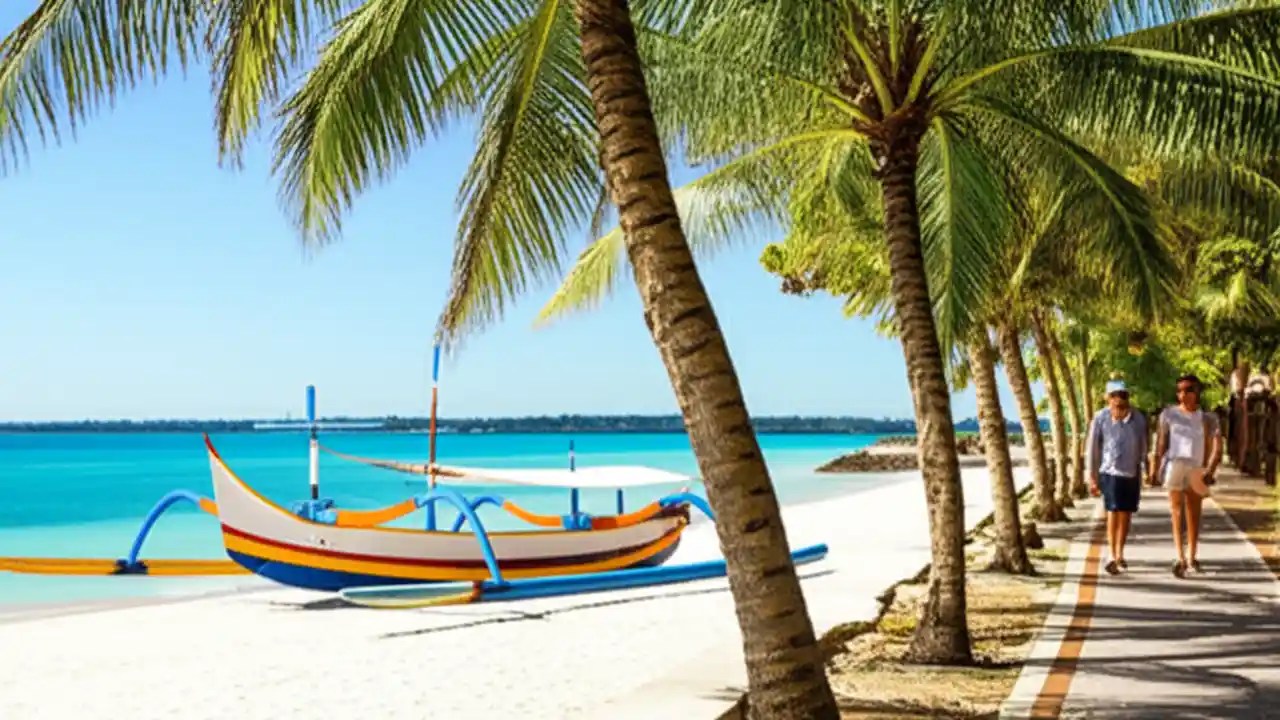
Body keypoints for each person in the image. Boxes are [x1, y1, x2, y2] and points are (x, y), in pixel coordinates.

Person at [1150, 373, 1223, 578]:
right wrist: (1154, 470)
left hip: (1196, 467)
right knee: (1176, 512)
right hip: (1174, 464)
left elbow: (1217, 446)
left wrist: (1210, 469)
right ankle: (1179, 556)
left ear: (1197, 392)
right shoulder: (1169, 414)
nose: (1184, 394)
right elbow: (1161, 443)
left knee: (1193, 512)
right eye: (1180, 390)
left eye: (1189, 389)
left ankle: (1192, 555)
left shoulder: (1208, 418)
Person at [1086, 379, 1148, 575]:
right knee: (1113, 510)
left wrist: (1147, 470)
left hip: (1131, 472)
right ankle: (1112, 554)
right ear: (1108, 398)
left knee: (1126, 513)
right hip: (1109, 471)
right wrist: (1092, 476)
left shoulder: (1138, 419)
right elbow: (1093, 449)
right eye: (1114, 396)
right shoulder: (1100, 418)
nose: (1119, 400)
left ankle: (1120, 553)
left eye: (1123, 396)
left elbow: (1144, 446)